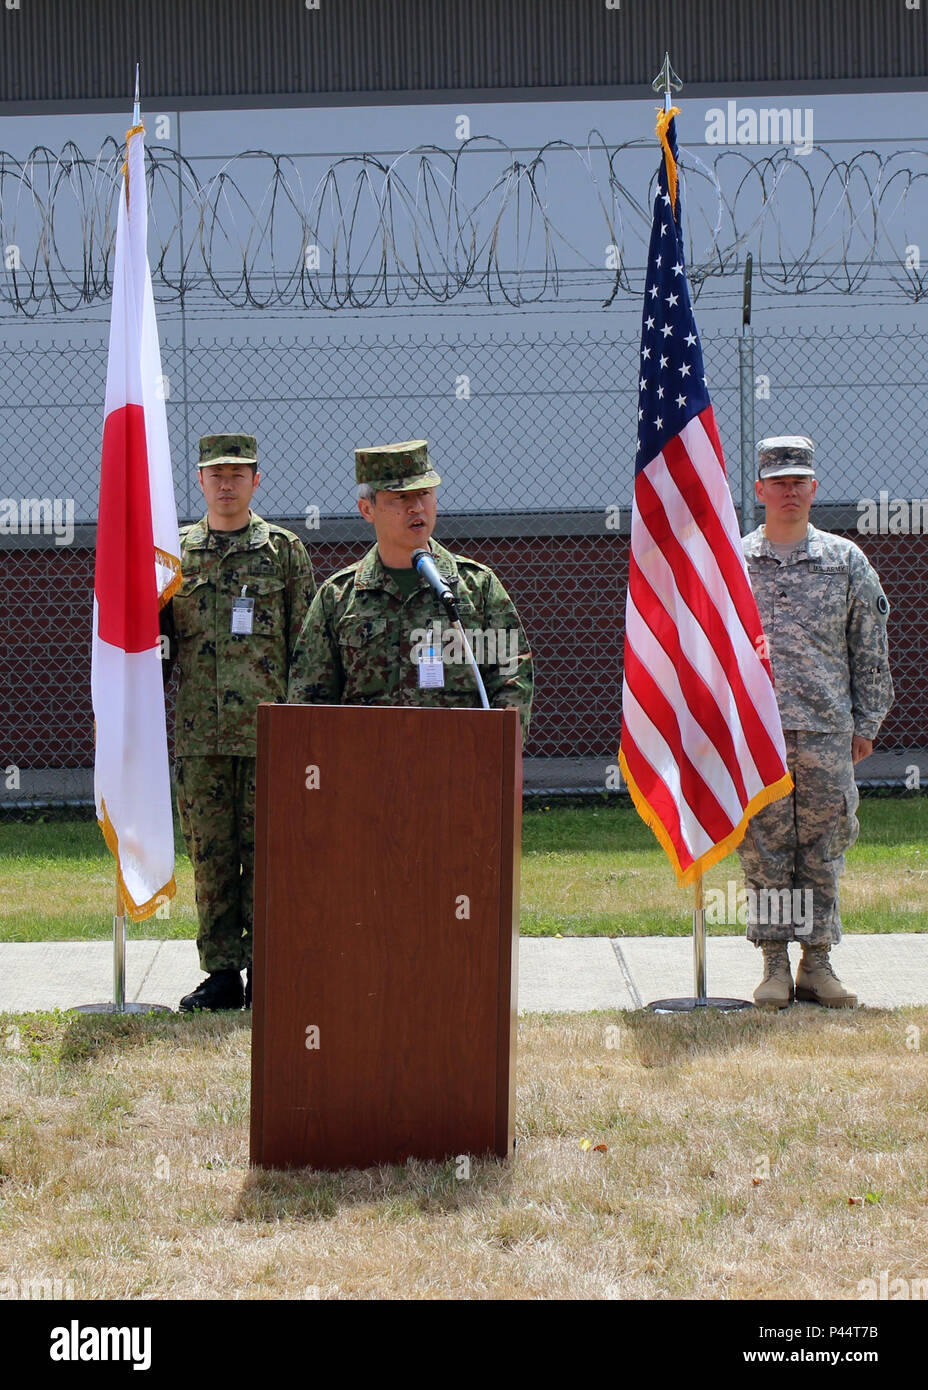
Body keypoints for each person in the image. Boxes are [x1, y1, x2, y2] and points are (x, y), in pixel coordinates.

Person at [739, 435, 893, 1009]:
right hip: (758, 734)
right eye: (778, 482)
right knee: (766, 847)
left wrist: (867, 720)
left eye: (799, 480)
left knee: (824, 846)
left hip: (828, 731)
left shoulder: (845, 561)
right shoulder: (735, 562)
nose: (789, 491)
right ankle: (775, 965)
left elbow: (869, 647)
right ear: (759, 490)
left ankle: (817, 963)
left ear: (814, 489)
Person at [162, 434, 315, 1011]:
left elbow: (307, 644)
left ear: (257, 480)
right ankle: (222, 974)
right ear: (199, 482)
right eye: (215, 474)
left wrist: (304, 728)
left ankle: (271, 971)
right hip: (201, 737)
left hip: (269, 735)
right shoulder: (174, 555)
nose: (226, 484)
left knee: (272, 855)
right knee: (211, 856)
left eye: (237, 474)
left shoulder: (282, 551)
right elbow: (157, 647)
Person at [287, 439, 533, 739]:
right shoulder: (339, 597)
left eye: (424, 494)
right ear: (367, 509)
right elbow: (309, 696)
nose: (416, 507)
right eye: (400, 497)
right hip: (365, 766)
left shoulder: (475, 588)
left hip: (457, 764)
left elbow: (511, 678)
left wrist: (495, 754)